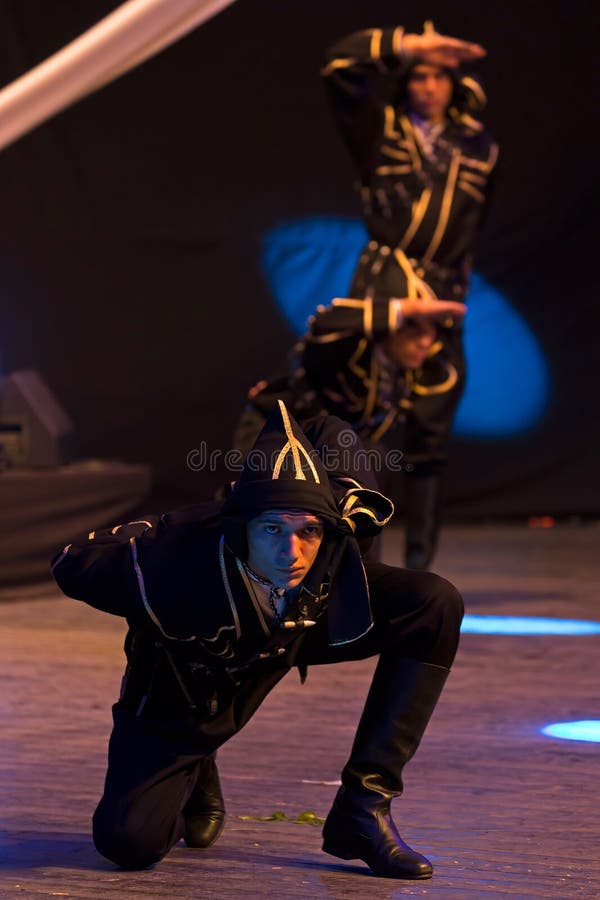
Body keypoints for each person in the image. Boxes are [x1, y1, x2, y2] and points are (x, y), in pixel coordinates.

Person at [52, 401, 463, 879]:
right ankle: (196, 765)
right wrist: (182, 529)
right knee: (129, 843)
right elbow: (71, 561)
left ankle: (364, 807)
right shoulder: (172, 563)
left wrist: (330, 499)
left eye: (307, 531)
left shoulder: (337, 525)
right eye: (271, 529)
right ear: (243, 527)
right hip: (188, 684)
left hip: (295, 634)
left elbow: (320, 425)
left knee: (432, 602)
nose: (292, 553)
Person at [318, 22, 499, 568]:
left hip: (440, 296)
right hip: (385, 288)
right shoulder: (380, 129)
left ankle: (417, 571)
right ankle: (352, 562)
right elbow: (338, 66)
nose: (427, 86)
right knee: (361, 427)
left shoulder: (479, 146)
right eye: (418, 75)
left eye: (438, 76)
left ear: (454, 84)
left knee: (429, 437)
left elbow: (474, 223)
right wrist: (409, 45)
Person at [234, 293, 466, 563]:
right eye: (413, 329)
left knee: (372, 469)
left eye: (431, 333)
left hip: (329, 449)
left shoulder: (417, 372)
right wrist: (404, 308)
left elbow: (427, 457)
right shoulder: (348, 349)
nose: (425, 342)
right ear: (388, 328)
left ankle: (366, 574)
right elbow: (325, 322)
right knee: (268, 519)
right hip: (273, 436)